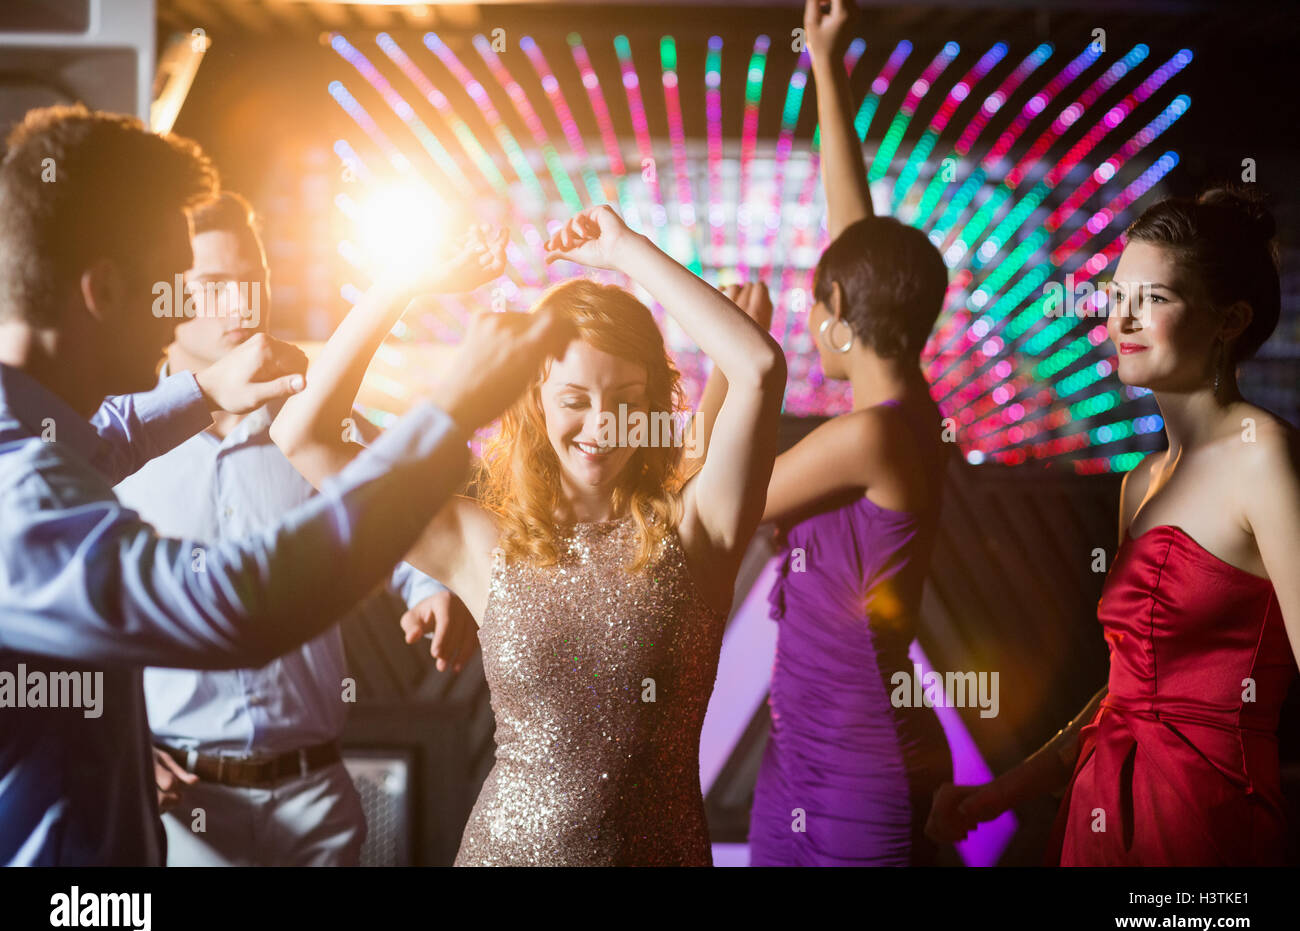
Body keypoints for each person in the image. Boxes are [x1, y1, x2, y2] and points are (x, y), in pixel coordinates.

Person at [0, 104, 573, 865]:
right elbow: (231, 602)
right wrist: (448, 413)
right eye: (176, 284)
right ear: (103, 290)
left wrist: (202, 391)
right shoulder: (20, 489)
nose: (200, 311)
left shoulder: (42, 434)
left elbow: (104, 437)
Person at [269, 204, 787, 865]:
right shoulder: (479, 541)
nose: (603, 424)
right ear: (535, 398)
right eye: (575, 399)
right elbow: (302, 433)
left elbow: (759, 366)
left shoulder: (697, 529)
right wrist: (400, 284)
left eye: (627, 398)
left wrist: (628, 251)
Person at [926, 185, 1300, 865]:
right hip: (1103, 813)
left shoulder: (1264, 456)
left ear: (1229, 319)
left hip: (1211, 826)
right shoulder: (1139, 483)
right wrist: (995, 796)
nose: (1122, 319)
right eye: (1115, 297)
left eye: (1154, 299)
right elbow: (1124, 697)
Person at [112, 191, 479, 866]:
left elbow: (392, 503)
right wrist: (117, 746)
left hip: (317, 800)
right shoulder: (115, 447)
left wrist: (428, 585)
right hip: (182, 813)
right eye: (215, 286)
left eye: (252, 283)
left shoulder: (314, 423)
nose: (242, 305)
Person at [692, 0, 953, 866]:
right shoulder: (906, 405)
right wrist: (828, 67)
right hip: (802, 753)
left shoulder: (869, 441)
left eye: (817, 302)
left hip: (855, 765)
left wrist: (732, 355)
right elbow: (860, 244)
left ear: (841, 317)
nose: (808, 318)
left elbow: (712, 500)